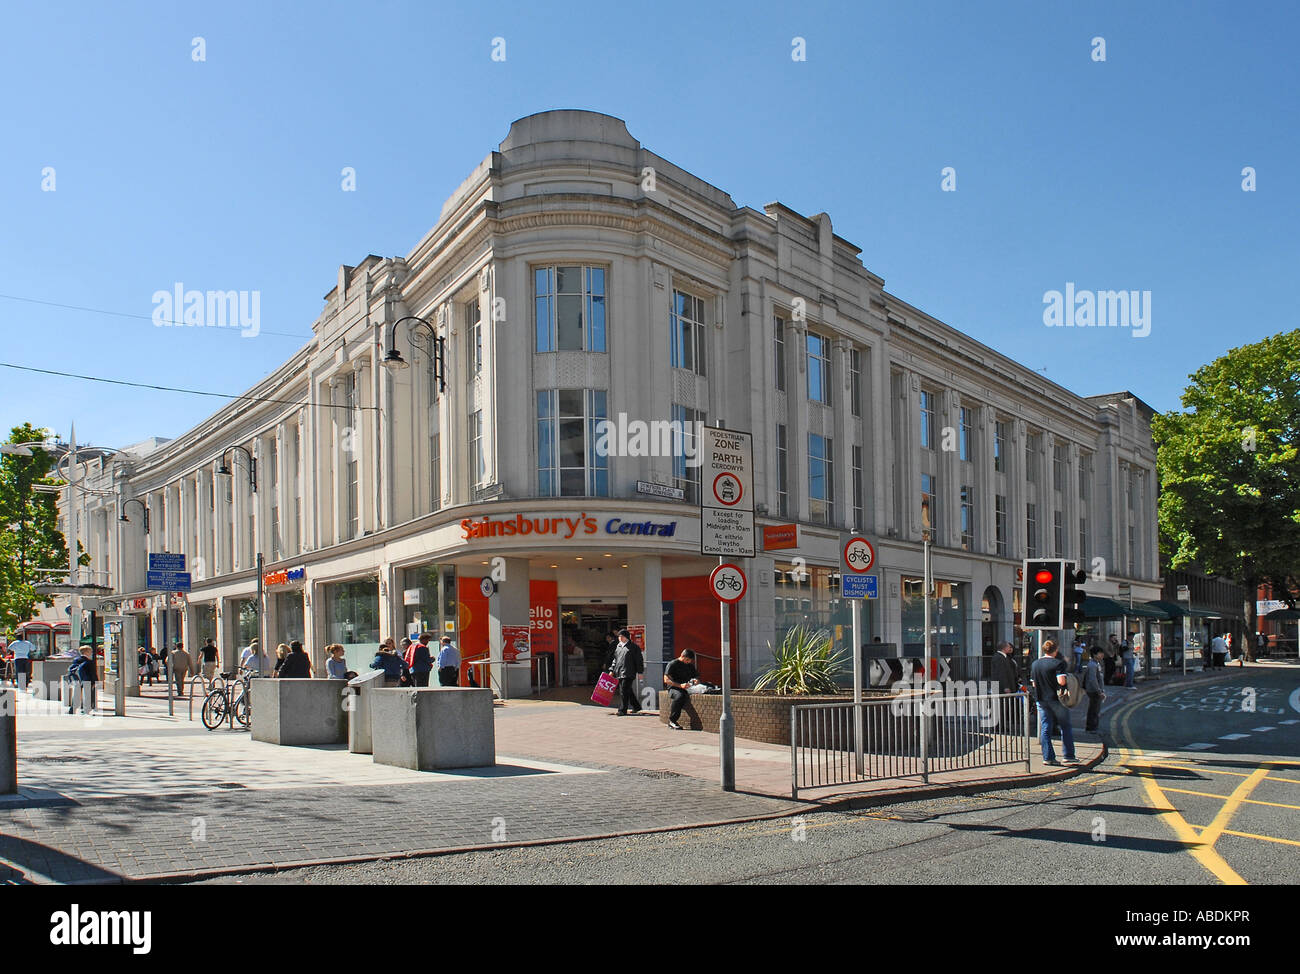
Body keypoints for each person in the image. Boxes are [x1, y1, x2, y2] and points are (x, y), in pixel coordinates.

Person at [1029, 639, 1077, 766]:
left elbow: (1033, 683)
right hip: (1056, 700)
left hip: (1041, 699)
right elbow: (1061, 681)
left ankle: (1048, 757)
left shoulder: (1035, 664)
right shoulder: (1058, 663)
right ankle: (1068, 755)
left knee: (1045, 728)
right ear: (1056, 650)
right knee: (1065, 726)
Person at [607, 628, 644, 716]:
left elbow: (639, 660)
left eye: (621, 636)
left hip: (629, 672)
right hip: (619, 671)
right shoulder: (618, 646)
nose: (620, 638)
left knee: (623, 690)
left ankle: (622, 710)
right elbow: (615, 659)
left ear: (626, 637)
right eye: (619, 636)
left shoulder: (634, 647)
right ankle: (636, 706)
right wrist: (612, 670)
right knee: (627, 690)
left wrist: (640, 672)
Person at [663, 648, 700, 729]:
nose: (689, 662)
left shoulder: (690, 666)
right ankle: (672, 721)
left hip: (688, 686)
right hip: (674, 688)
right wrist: (680, 686)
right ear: (682, 656)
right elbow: (666, 680)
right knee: (680, 696)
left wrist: (696, 680)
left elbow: (696, 675)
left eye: (690, 660)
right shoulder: (672, 664)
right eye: (687, 660)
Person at [67, 645, 96, 714]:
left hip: (77, 679)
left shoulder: (76, 660)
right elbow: (92, 673)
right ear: (86, 652)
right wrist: (94, 681)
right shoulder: (89, 662)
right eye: (90, 651)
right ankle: (86, 710)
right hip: (87, 680)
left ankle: (73, 709)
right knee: (87, 695)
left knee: (76, 695)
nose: (91, 653)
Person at [1083, 647, 1107, 732]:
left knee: (1093, 709)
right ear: (1095, 655)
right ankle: (1092, 728)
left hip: (1095, 690)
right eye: (1100, 653)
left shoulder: (1096, 664)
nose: (1102, 654)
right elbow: (1093, 679)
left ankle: (1091, 727)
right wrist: (1099, 691)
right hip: (1094, 691)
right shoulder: (1092, 665)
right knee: (1094, 710)